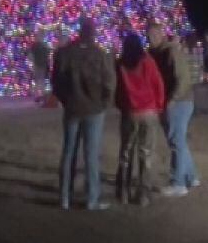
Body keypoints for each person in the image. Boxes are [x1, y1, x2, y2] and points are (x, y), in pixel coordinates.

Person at [51, 16, 116, 210]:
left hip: (73, 108)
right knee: (91, 154)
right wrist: (105, 102)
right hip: (94, 109)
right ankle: (92, 199)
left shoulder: (64, 54)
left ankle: (64, 196)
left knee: (69, 151)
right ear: (93, 33)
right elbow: (109, 82)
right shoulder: (100, 54)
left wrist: (66, 100)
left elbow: (57, 82)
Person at [114, 32, 166, 205]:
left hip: (130, 112)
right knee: (146, 153)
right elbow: (158, 84)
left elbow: (118, 89)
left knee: (126, 152)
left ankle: (123, 192)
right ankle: (143, 193)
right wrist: (158, 106)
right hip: (149, 111)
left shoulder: (121, 64)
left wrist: (122, 106)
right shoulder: (148, 62)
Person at [149, 24, 199, 196]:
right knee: (179, 140)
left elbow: (183, 78)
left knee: (176, 141)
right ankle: (191, 176)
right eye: (149, 35)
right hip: (172, 102)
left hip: (179, 102)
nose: (152, 38)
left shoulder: (171, 52)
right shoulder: (154, 53)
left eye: (155, 34)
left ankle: (178, 183)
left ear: (162, 34)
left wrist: (172, 99)